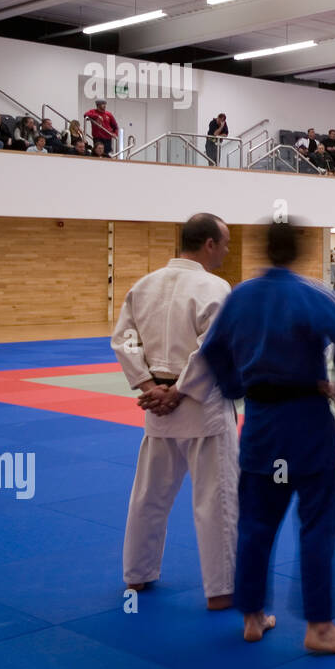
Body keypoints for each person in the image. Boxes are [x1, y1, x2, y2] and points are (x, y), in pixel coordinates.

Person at [199, 220, 335, 654]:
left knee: (257, 524)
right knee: (318, 525)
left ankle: (253, 615)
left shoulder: (240, 296)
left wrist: (238, 388)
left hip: (261, 427)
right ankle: (319, 628)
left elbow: (212, 352)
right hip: (307, 427)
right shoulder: (311, 294)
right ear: (298, 251)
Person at [111, 213, 237, 609]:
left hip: (156, 408)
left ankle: (138, 574)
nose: (228, 250)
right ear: (210, 245)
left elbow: (124, 341)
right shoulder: (215, 287)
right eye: (226, 243)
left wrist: (150, 386)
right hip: (202, 409)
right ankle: (220, 590)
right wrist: (179, 391)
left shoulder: (143, 285)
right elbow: (213, 348)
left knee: (149, 495)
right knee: (216, 501)